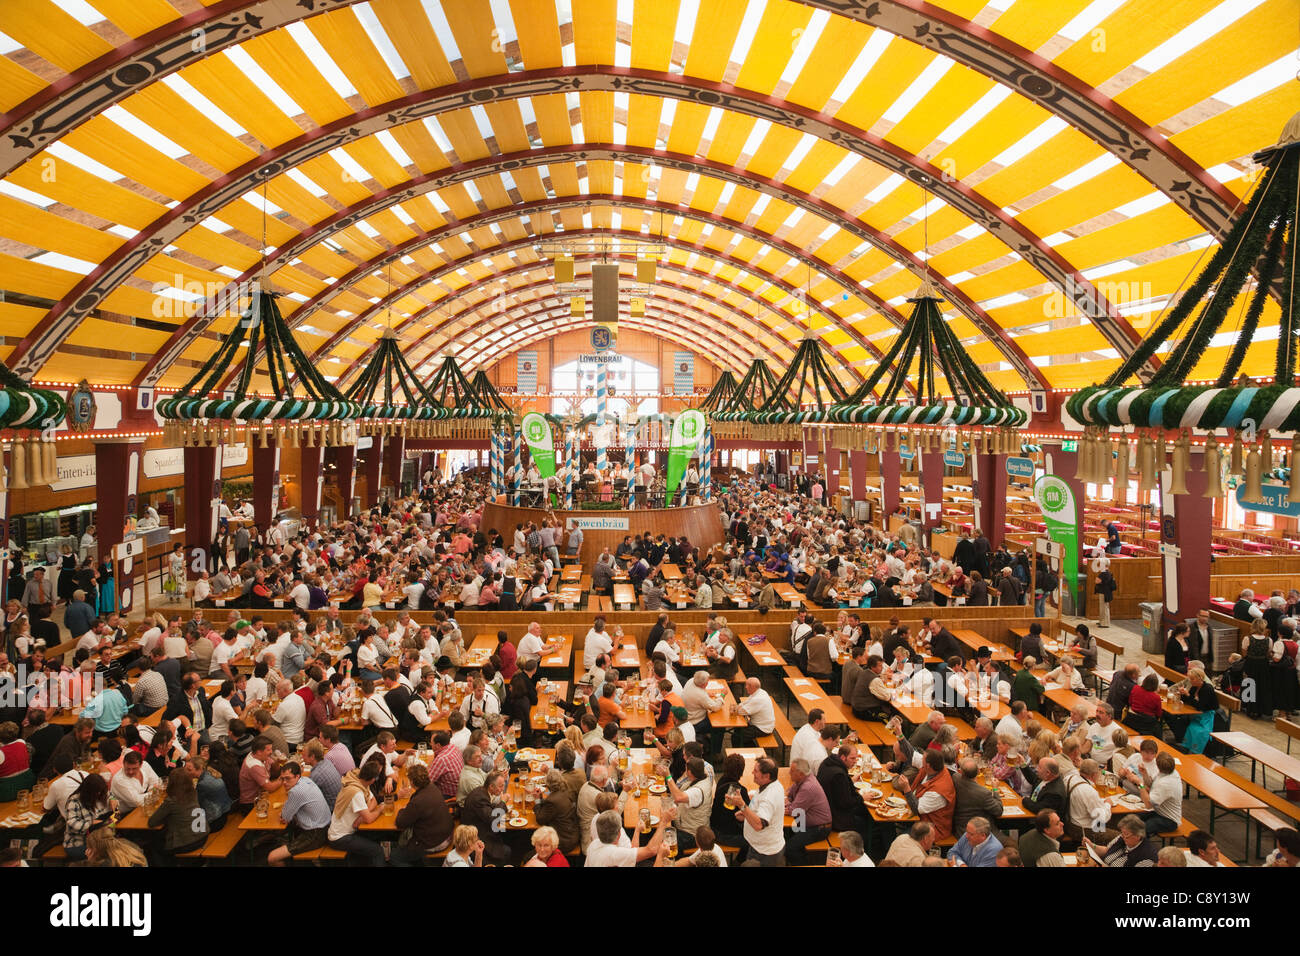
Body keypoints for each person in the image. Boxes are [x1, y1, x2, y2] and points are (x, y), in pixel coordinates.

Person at [389, 762, 454, 865]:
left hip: (434, 843)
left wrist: (402, 810)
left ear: (412, 782)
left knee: (394, 857)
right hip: (447, 835)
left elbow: (400, 823)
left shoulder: (418, 802)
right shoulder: (432, 787)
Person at [327, 760, 386, 866]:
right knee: (378, 851)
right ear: (373, 780)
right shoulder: (356, 793)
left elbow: (374, 800)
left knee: (375, 838)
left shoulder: (358, 780)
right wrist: (380, 810)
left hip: (345, 832)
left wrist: (362, 815)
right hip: (340, 838)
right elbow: (369, 819)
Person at [782, 757, 832, 866]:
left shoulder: (808, 787)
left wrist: (788, 804)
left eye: (792, 771)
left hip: (819, 828)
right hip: (807, 823)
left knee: (789, 848)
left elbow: (793, 810)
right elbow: (789, 794)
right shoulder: (802, 780)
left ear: (800, 773)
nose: (789, 772)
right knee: (786, 836)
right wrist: (789, 802)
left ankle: (804, 864)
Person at [736, 757, 785, 866]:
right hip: (758, 846)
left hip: (764, 853)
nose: (752, 772)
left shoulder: (769, 797)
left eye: (756, 771)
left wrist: (742, 805)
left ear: (767, 776)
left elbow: (759, 824)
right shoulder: (773, 784)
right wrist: (747, 815)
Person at [1086, 813, 1159, 867]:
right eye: (1122, 833)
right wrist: (1092, 846)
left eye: (1126, 834)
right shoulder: (1122, 838)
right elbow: (1107, 850)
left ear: (1138, 836)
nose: (1122, 836)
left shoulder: (1147, 856)